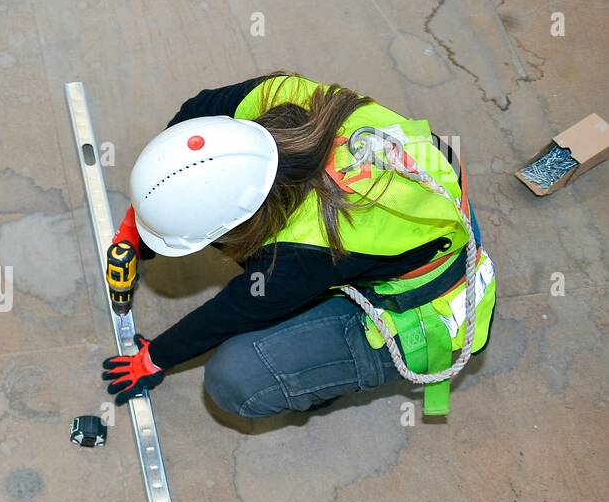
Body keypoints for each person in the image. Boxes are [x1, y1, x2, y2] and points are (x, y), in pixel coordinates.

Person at [100, 73, 497, 418]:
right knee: (267, 266)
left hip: (431, 290)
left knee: (236, 377)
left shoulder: (302, 252)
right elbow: (187, 130)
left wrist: (152, 360)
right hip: (423, 192)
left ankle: (319, 369)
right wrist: (135, 227)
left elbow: (234, 310)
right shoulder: (273, 98)